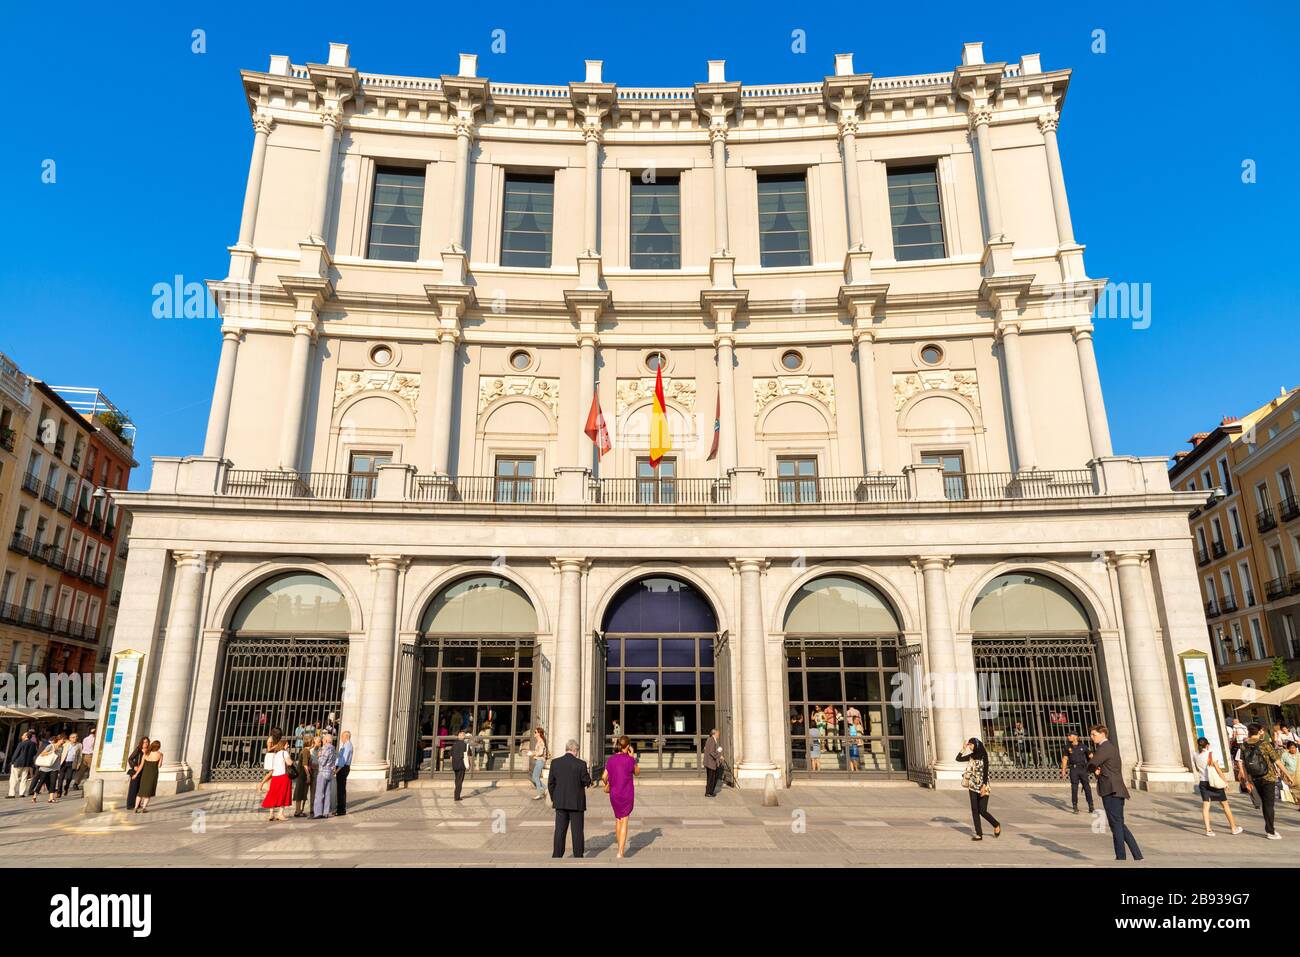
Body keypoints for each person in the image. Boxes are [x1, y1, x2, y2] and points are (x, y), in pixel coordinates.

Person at [1088, 724, 1143, 861]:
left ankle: (1121, 857)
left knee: (1116, 824)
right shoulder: (1108, 747)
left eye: (1094, 734)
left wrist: (1093, 769)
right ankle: (1137, 855)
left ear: (1102, 734)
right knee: (1118, 823)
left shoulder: (1104, 747)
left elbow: (1092, 763)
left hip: (1112, 790)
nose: (1091, 737)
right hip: (1114, 789)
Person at [1239, 722, 1285, 840]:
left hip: (1255, 778)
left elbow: (1243, 764)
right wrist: (1288, 775)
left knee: (1265, 804)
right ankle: (1270, 831)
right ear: (1259, 731)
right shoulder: (1265, 744)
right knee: (1269, 805)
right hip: (1268, 777)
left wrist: (1246, 781)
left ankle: (1269, 829)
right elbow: (1277, 761)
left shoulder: (1243, 745)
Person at [549, 739, 591, 858]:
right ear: (575, 750)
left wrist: (554, 798)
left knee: (559, 831)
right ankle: (578, 855)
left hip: (560, 802)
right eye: (577, 751)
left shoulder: (555, 762)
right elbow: (586, 781)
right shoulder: (581, 764)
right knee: (577, 831)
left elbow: (551, 783)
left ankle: (557, 855)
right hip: (576, 803)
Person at [1193, 737, 1243, 836]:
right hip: (1214, 783)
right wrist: (1225, 782)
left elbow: (1197, 768)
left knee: (1206, 805)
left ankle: (1208, 830)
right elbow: (1218, 769)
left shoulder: (1195, 755)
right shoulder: (1210, 754)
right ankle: (1233, 828)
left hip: (1203, 782)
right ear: (1207, 745)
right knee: (1225, 805)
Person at [601, 735, 639, 859]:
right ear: (627, 746)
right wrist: (633, 757)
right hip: (626, 794)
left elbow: (604, 777)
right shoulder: (629, 760)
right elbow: (637, 772)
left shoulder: (611, 759)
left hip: (614, 794)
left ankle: (619, 848)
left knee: (618, 819)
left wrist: (608, 784)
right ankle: (620, 852)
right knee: (625, 821)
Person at [956, 738, 1000, 841]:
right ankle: (979, 834)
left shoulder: (984, 755)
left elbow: (986, 771)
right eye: (969, 745)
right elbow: (958, 759)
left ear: (976, 745)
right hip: (972, 785)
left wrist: (984, 786)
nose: (970, 747)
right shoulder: (972, 756)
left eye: (971, 745)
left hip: (983, 785)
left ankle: (996, 824)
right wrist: (963, 749)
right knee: (974, 810)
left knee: (983, 810)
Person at [259, 731, 294, 823]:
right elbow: (289, 763)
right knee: (283, 794)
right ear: (284, 745)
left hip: (275, 776)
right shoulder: (284, 753)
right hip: (283, 776)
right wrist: (292, 761)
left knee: (273, 794)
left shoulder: (276, 754)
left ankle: (271, 813)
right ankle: (280, 813)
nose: (288, 746)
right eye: (287, 744)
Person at [1059, 733, 1095, 814]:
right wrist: (1063, 770)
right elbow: (1065, 759)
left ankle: (1091, 805)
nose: (1068, 737)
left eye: (1070, 736)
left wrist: (1092, 767)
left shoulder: (1083, 746)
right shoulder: (1067, 747)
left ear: (1075, 737)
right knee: (1074, 788)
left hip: (1083, 769)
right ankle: (1075, 806)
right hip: (1074, 769)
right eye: (1067, 736)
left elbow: (1091, 756)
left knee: (1087, 787)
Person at [30, 735, 63, 804]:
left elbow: (59, 758)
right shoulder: (50, 746)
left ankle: (51, 798)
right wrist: (52, 751)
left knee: (53, 783)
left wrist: (59, 767)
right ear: (59, 740)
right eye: (62, 740)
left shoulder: (61, 747)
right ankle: (35, 796)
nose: (63, 741)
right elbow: (42, 753)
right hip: (45, 767)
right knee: (41, 781)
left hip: (55, 768)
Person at [133, 741, 162, 813]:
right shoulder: (160, 754)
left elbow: (141, 766)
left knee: (140, 791)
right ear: (158, 747)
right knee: (148, 792)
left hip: (145, 775)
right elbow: (159, 766)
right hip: (153, 775)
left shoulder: (146, 753)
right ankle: (144, 808)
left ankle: (135, 808)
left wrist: (136, 774)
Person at [313, 733, 337, 819]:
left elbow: (322, 762)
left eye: (323, 740)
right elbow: (334, 762)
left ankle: (318, 813)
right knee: (327, 793)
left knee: (319, 793)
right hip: (330, 773)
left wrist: (319, 756)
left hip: (323, 772)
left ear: (326, 740)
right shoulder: (333, 749)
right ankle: (325, 812)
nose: (322, 741)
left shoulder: (325, 748)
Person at [7, 731, 37, 799]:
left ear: (26, 736)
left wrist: (12, 761)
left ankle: (11, 794)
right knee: (24, 778)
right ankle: (22, 793)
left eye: (23, 735)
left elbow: (16, 753)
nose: (22, 736)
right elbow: (34, 753)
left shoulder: (21, 743)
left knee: (13, 778)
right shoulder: (33, 744)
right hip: (27, 763)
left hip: (18, 762)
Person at [125, 736, 150, 811]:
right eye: (144, 742)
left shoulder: (149, 751)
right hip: (136, 771)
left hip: (144, 771)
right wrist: (134, 766)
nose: (146, 743)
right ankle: (130, 805)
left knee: (140, 789)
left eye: (147, 742)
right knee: (133, 788)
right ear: (141, 743)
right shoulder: (138, 750)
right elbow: (130, 759)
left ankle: (137, 804)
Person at [291, 734, 313, 818]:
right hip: (302, 775)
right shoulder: (305, 751)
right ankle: (297, 811)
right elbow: (305, 764)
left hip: (302, 774)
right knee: (300, 792)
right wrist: (308, 775)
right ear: (310, 742)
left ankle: (299, 810)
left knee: (301, 792)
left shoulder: (305, 751)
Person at [57, 733, 82, 799]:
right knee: (60, 778)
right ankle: (59, 792)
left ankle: (66, 787)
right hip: (64, 763)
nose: (75, 738)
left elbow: (80, 756)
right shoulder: (65, 745)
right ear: (70, 738)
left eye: (76, 737)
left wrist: (78, 764)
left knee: (69, 777)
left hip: (72, 763)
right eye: (73, 737)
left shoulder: (79, 745)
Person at [527, 726, 549, 801]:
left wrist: (532, 753)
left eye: (535, 732)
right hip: (538, 761)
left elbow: (540, 752)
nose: (534, 733)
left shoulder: (541, 742)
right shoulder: (539, 741)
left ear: (539, 734)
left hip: (540, 761)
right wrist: (532, 753)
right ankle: (546, 789)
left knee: (536, 778)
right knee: (534, 777)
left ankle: (539, 794)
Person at [334, 730, 352, 816]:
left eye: (342, 736)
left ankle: (341, 810)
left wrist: (336, 770)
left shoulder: (347, 745)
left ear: (346, 737)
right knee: (340, 789)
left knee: (341, 789)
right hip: (342, 768)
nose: (341, 738)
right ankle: (339, 808)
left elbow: (343, 760)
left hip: (342, 768)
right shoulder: (345, 745)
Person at [702, 727, 725, 797]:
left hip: (709, 762)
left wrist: (717, 751)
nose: (719, 735)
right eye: (718, 733)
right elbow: (711, 752)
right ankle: (709, 792)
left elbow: (710, 750)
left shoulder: (710, 739)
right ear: (714, 733)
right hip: (710, 763)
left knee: (711, 778)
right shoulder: (712, 740)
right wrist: (719, 756)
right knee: (711, 778)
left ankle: (710, 792)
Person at [449, 730, 469, 801]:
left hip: (455, 764)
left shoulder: (454, 744)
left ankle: (456, 794)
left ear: (458, 736)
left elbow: (450, 756)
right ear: (464, 737)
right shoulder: (465, 745)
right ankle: (457, 796)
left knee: (457, 779)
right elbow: (468, 756)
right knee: (460, 780)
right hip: (461, 764)